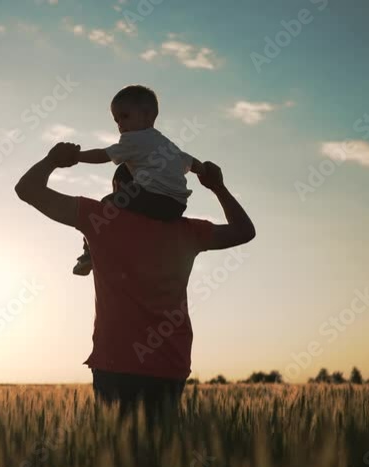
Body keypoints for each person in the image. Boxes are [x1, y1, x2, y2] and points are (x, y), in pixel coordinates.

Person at [14, 142, 256, 418]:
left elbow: (27, 189)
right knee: (160, 454)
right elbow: (244, 230)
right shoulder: (188, 232)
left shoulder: (101, 219)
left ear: (119, 187)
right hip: (170, 360)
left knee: (117, 456)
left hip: (116, 360)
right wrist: (217, 187)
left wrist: (52, 161)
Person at [69, 84, 205, 276]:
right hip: (177, 206)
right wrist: (205, 171)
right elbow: (191, 161)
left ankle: (88, 253)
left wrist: (77, 156)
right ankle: (127, 220)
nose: (120, 125)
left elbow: (103, 155)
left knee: (104, 207)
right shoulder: (167, 144)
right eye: (116, 120)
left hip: (153, 199)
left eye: (125, 117)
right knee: (124, 170)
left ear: (148, 116)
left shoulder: (133, 140)